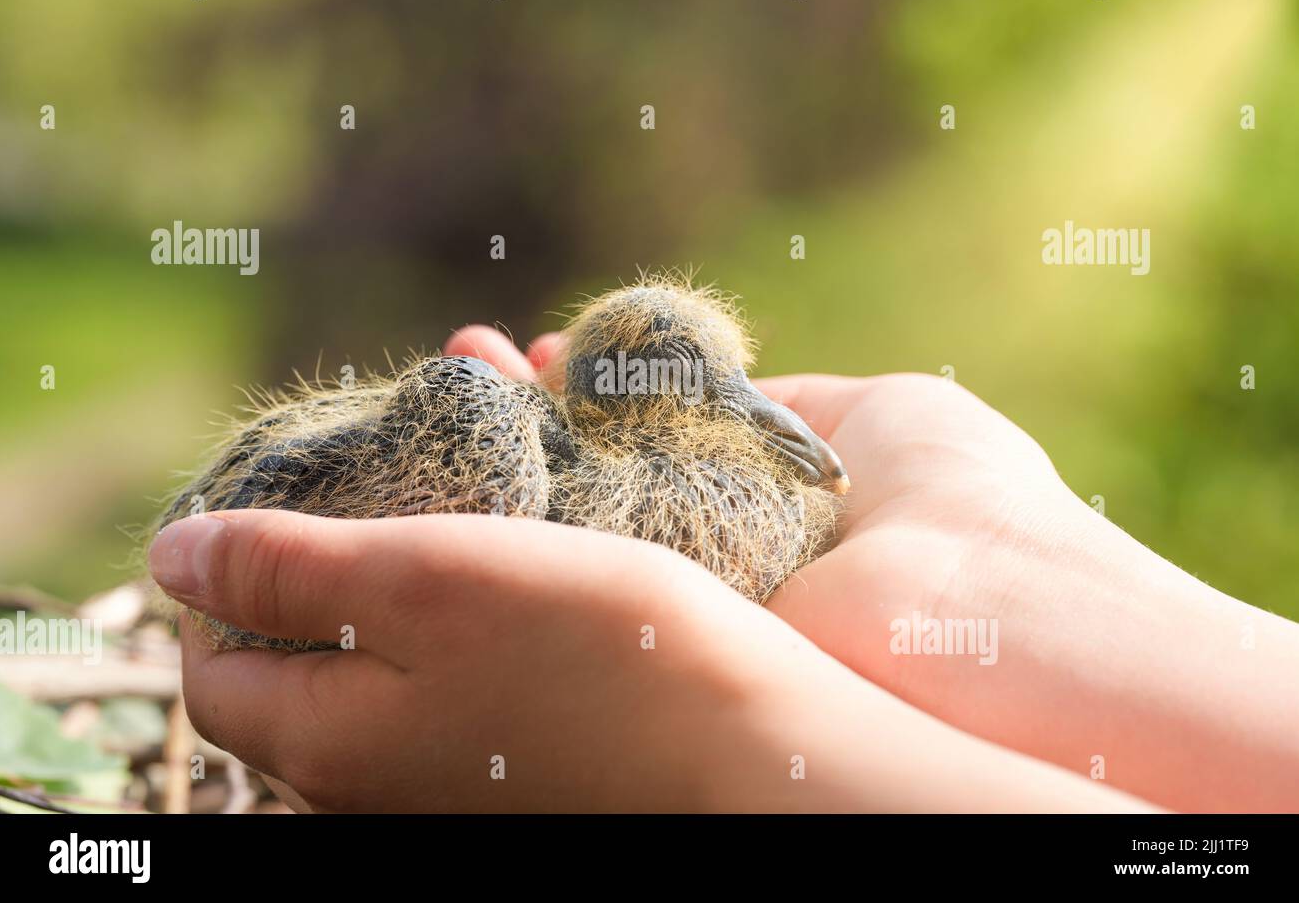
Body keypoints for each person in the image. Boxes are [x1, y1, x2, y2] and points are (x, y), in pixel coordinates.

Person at [148, 326, 1299, 813]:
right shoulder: (510, 456)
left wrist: (705, 730)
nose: (754, 414)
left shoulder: (746, 481)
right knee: (473, 416)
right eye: (700, 382)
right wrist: (998, 576)